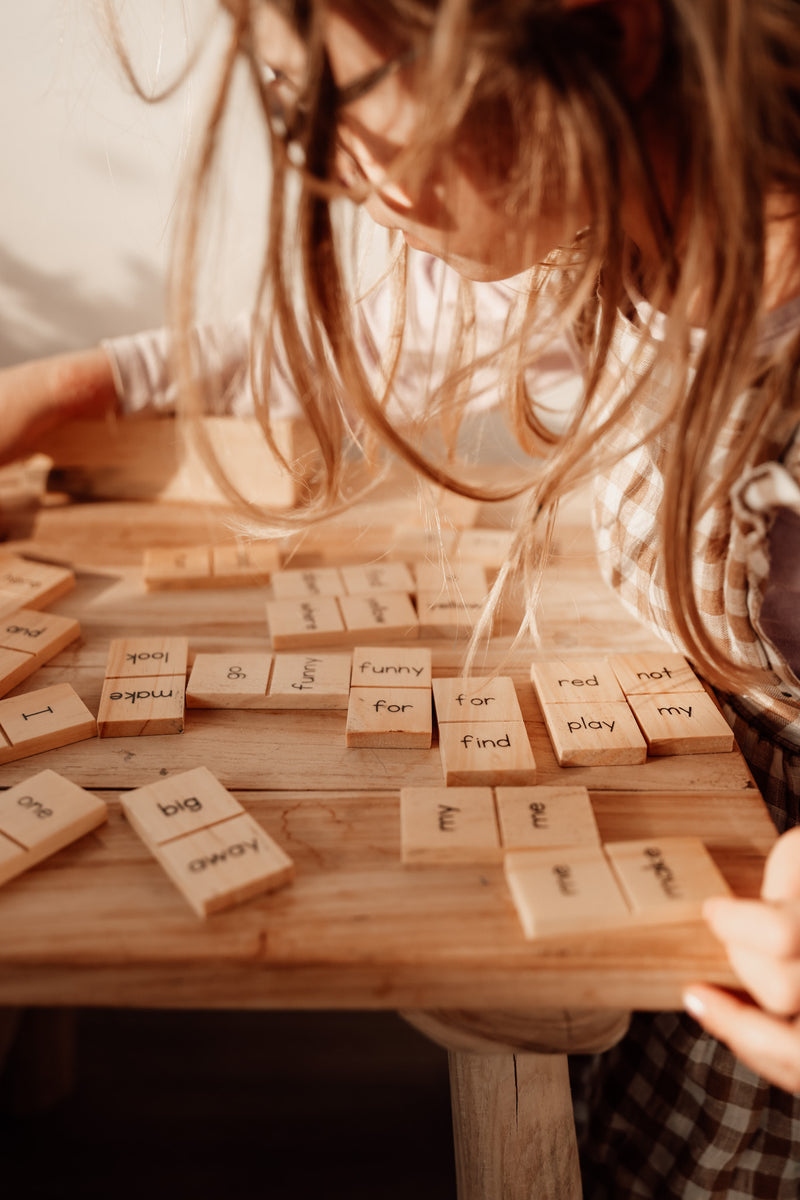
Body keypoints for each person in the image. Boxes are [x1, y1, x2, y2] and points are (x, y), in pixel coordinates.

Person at [2, 0, 800, 1192]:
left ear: (612, 35)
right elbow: (352, 347)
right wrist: (84, 382)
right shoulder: (610, 230)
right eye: (288, 107)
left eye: (345, 103)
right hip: (658, 973)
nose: (323, 173)